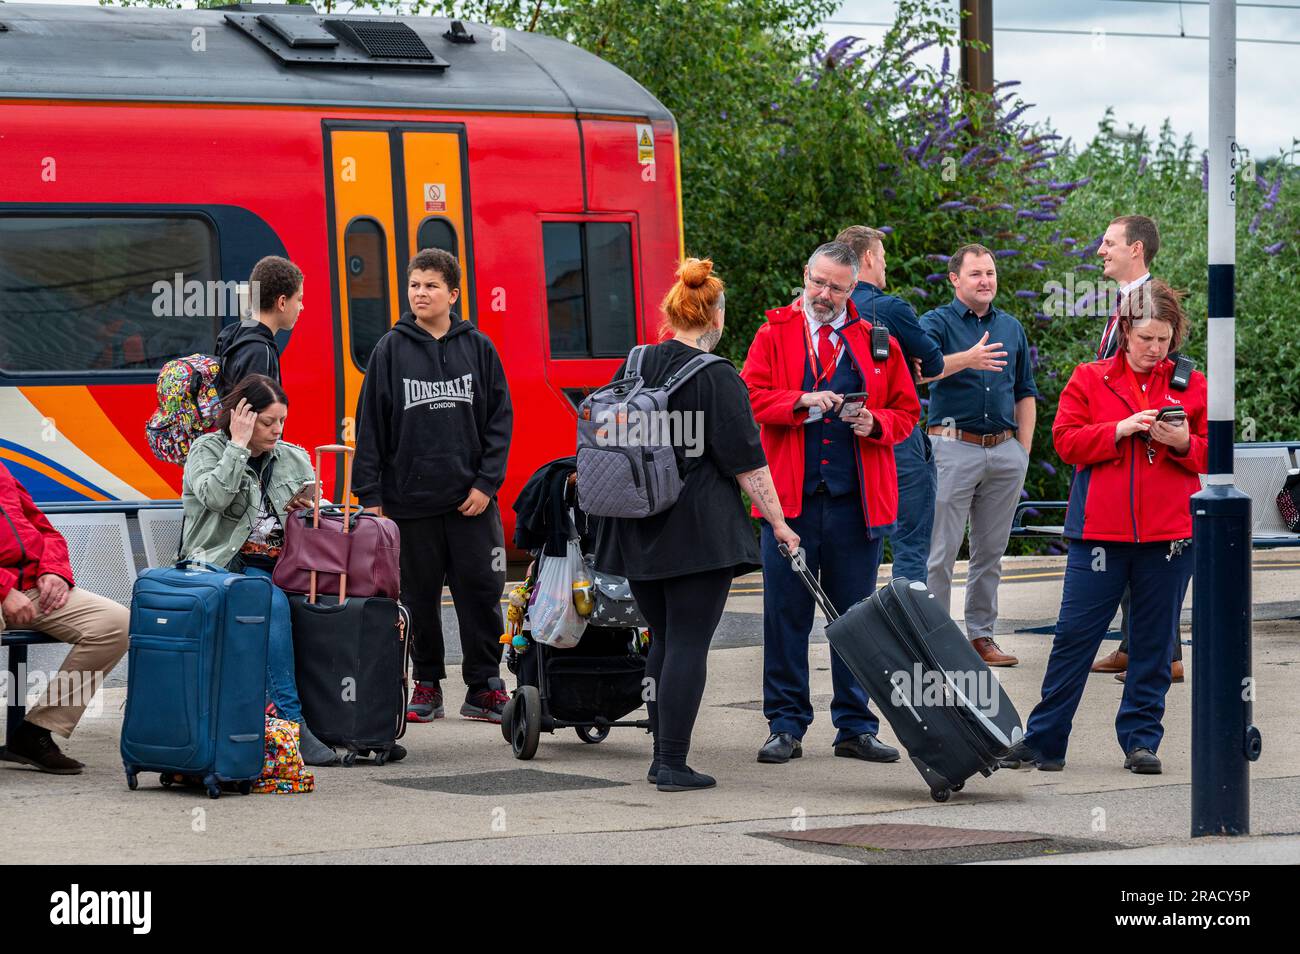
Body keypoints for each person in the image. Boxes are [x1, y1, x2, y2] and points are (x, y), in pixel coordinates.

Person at [596, 257, 799, 792]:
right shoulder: (717, 377)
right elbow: (747, 463)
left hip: (634, 522)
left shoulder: (635, 363)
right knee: (688, 642)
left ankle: (660, 755)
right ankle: (672, 763)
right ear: (717, 319)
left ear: (672, 313)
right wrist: (778, 522)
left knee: (662, 638)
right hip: (695, 531)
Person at [1002, 280, 1203, 774]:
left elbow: (1215, 457)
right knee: (1074, 635)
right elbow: (1066, 442)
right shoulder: (1090, 377)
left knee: (1154, 645)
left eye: (1164, 340)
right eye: (1145, 340)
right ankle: (1045, 741)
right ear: (1125, 333)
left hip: (1169, 537)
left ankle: (1140, 740)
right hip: (1099, 535)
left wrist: (1181, 443)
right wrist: (1118, 429)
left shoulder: (1192, 383)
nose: (1155, 350)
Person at [741, 242, 920, 766]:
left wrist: (876, 423)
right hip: (788, 504)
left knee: (855, 618)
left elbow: (907, 412)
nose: (824, 294)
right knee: (786, 616)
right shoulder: (773, 333)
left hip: (855, 503)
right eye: (818, 282)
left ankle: (856, 727)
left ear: (853, 288)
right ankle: (786, 724)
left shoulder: (877, 340)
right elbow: (749, 398)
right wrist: (799, 400)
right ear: (806, 274)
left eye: (836, 287)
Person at [353, 248, 514, 725]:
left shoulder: (479, 348)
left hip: (472, 503)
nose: (420, 293)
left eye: (430, 286)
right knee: (417, 599)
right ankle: (426, 684)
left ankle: (484, 686)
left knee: (482, 594)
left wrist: (486, 484)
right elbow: (371, 428)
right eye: (414, 285)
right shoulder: (390, 349)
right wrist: (372, 498)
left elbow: (499, 422)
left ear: (453, 294)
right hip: (409, 505)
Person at [181, 373, 346, 766]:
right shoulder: (207, 450)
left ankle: (351, 720)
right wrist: (237, 447)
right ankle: (290, 721)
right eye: (268, 422)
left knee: (346, 602)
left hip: (285, 565)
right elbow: (216, 498)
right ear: (243, 418)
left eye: (281, 421)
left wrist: (310, 512)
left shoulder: (293, 456)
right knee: (267, 600)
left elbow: (322, 520)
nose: (277, 430)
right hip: (219, 565)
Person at [837, 226, 1007, 587]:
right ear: (867, 257)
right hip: (895, 436)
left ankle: (857, 633)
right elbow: (932, 365)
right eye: (882, 257)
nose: (885, 265)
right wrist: (910, 364)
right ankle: (909, 632)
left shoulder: (823, 310)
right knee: (911, 544)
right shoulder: (891, 308)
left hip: (838, 435)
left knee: (852, 545)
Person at [920, 243, 1039, 667]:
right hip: (952, 447)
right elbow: (920, 371)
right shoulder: (934, 322)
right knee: (941, 551)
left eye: (990, 273)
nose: (985, 281)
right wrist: (967, 359)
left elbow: (1026, 391)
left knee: (990, 553)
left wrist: (1021, 451)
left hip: (1004, 451)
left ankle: (981, 637)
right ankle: (935, 641)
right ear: (955, 279)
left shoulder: (1011, 327)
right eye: (976, 274)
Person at [1087, 216, 1183, 682]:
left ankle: (1166, 654)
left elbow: (1167, 372)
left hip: (1144, 443)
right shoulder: (1123, 302)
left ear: (1137, 249)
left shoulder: (1152, 304)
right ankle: (1133, 647)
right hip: (1115, 437)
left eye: (1110, 243)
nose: (1101, 250)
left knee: (1150, 548)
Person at [0, 465, 128, 774]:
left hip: (30, 586)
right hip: (5, 588)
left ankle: (35, 733)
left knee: (115, 623)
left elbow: (44, 529)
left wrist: (54, 571)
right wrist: (4, 590)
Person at [215, 256, 304, 400]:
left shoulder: (233, 335)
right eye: (299, 299)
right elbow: (256, 415)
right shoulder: (259, 351)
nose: (302, 307)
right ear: (282, 302)